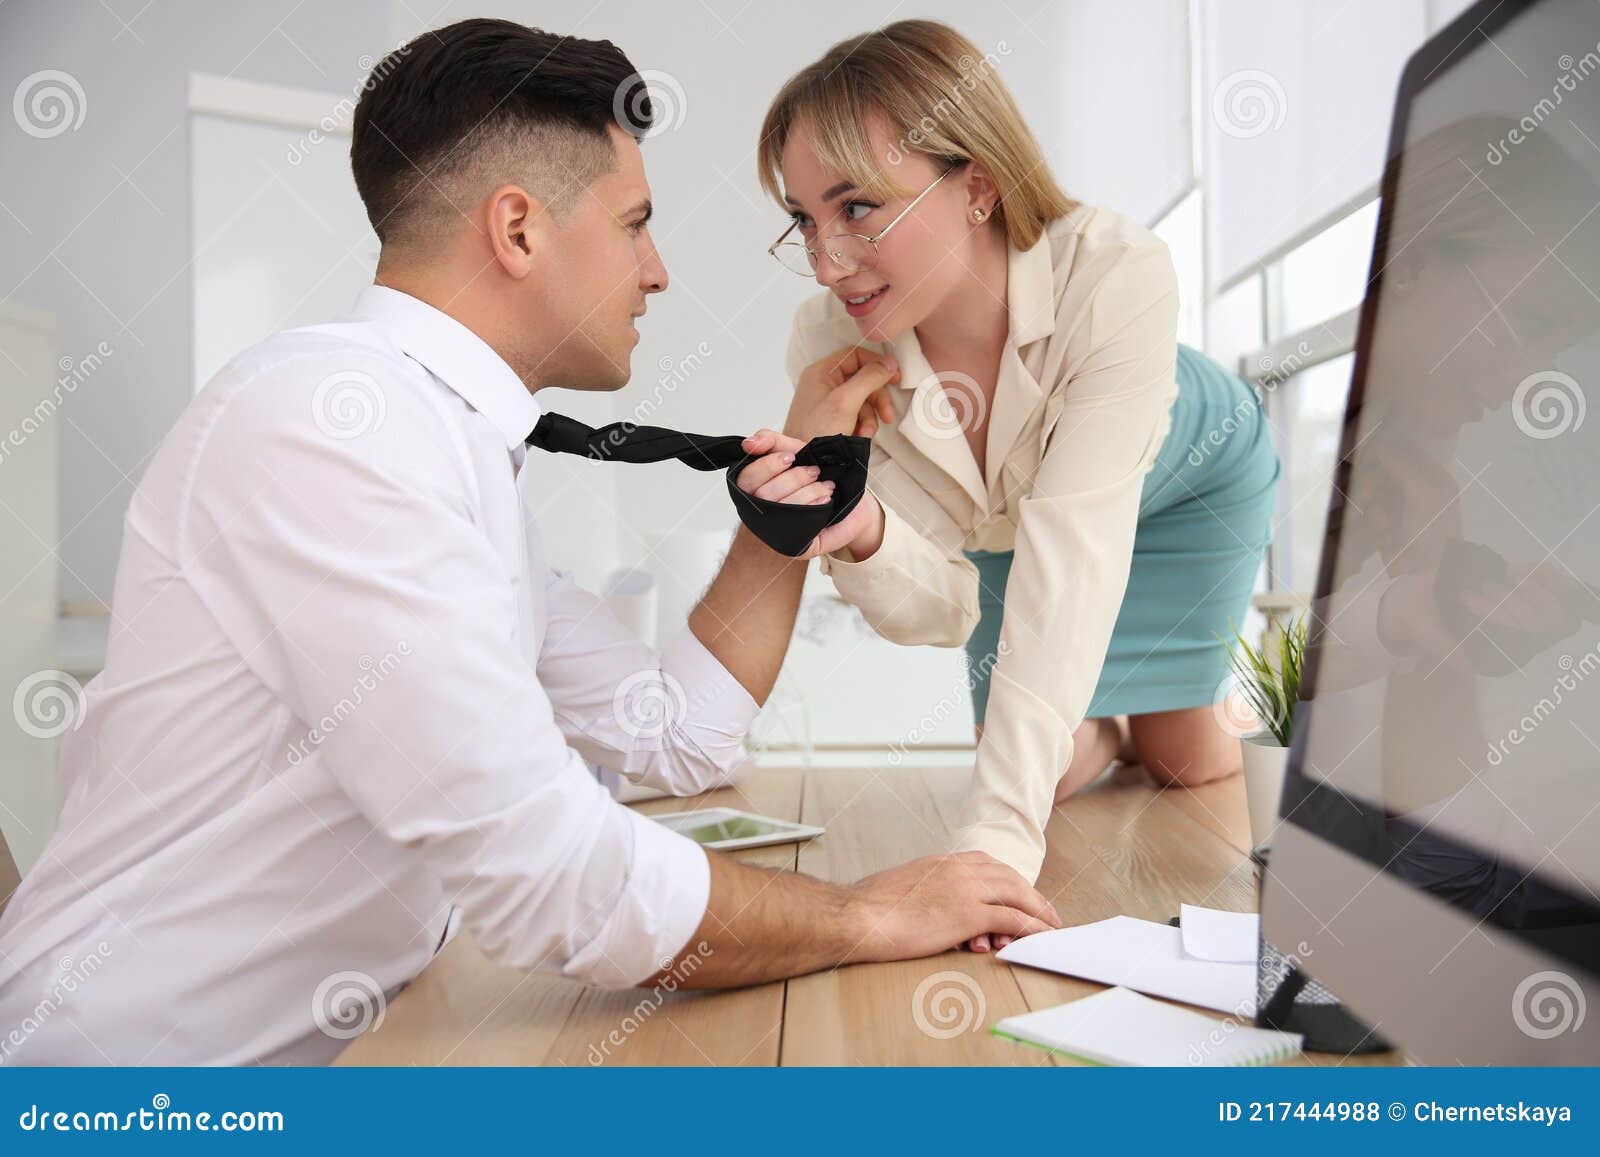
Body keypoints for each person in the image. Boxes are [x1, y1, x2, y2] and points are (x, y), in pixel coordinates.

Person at [0, 19, 1058, 1066]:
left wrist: (793, 508)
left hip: (340, 1056)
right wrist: (864, 916)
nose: (658, 272)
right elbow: (548, 876)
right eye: (635, 223)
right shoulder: (328, 427)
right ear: (517, 230)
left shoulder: (446, 458)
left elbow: (674, 733)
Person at [759, 20, 1281, 944]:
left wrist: (994, 848)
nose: (826, 260)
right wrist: (852, 518)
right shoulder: (827, 343)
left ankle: (1144, 724)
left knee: (1184, 757)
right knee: (1056, 756)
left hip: (1188, 481)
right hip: (1011, 527)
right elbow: (943, 605)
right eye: (804, 219)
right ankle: (1104, 725)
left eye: (858, 209)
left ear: (979, 187)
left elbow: (1073, 554)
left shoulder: (1116, 271)